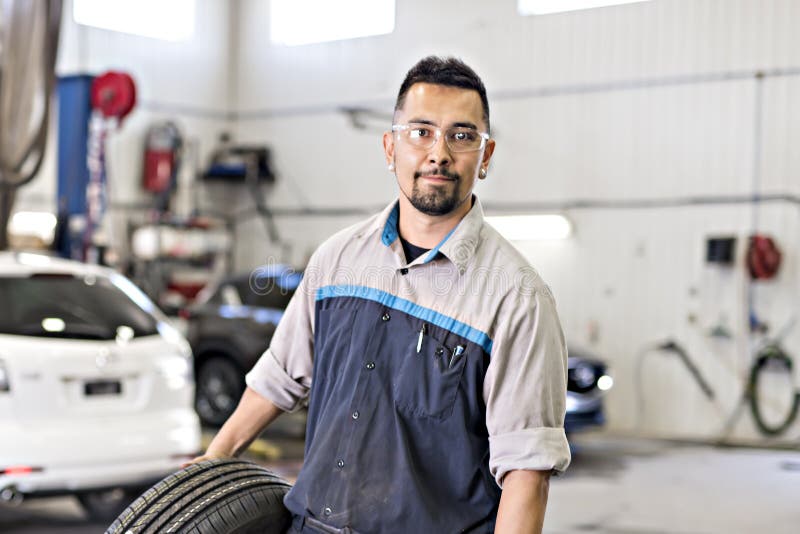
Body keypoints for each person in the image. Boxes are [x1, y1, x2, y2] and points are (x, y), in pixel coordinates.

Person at [192, 56, 571, 534]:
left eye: (461, 135)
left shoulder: (517, 299)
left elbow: (526, 473)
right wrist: (212, 462)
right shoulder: (337, 260)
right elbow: (279, 377)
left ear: (486, 155)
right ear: (391, 147)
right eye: (421, 132)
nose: (439, 153)